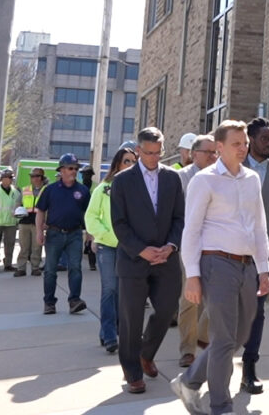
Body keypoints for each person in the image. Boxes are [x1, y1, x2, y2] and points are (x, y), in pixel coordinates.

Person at [172, 121, 269, 415]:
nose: (243, 148)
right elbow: (190, 231)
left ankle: (189, 381)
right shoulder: (203, 181)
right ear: (219, 147)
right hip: (215, 264)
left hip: (246, 266)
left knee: (239, 336)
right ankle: (221, 405)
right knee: (224, 338)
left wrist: (263, 268)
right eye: (236, 144)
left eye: (244, 143)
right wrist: (192, 275)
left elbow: (259, 227)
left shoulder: (252, 179)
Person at [111, 127, 186, 394]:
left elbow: (179, 217)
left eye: (158, 153)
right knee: (131, 317)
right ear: (139, 151)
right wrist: (141, 250)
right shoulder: (122, 181)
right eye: (149, 153)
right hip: (134, 259)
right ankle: (132, 371)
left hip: (166, 259)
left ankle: (147, 352)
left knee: (167, 310)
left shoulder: (173, 178)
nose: (154, 158)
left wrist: (171, 246)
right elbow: (118, 223)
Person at [239, 116, 269, 395]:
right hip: (230, 255)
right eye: (265, 138)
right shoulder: (234, 168)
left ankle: (249, 368)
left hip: (263, 260)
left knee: (258, 313)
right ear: (251, 140)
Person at [86, 145, 136, 354]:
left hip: (130, 248)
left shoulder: (138, 190)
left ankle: (118, 330)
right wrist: (105, 236)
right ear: (117, 164)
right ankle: (108, 335)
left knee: (124, 292)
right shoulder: (103, 189)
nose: (131, 165)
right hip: (108, 247)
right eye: (127, 161)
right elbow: (91, 217)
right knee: (110, 289)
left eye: (134, 162)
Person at [176, 135, 217, 367]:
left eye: (215, 152)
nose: (213, 156)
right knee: (189, 299)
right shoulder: (181, 178)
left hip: (215, 246)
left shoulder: (221, 176)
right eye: (207, 152)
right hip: (189, 246)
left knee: (217, 297)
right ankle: (187, 349)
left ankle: (202, 335)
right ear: (193, 153)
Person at [37, 153, 90, 316]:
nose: (74, 171)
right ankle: (49, 302)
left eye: (76, 168)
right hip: (54, 234)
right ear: (61, 170)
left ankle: (74, 300)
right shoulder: (50, 190)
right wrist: (39, 231)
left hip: (75, 234)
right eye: (70, 168)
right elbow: (41, 211)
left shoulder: (83, 190)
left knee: (75, 268)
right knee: (50, 270)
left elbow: (89, 214)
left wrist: (89, 233)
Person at [13, 167, 47, 277]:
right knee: (24, 246)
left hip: (38, 223)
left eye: (37, 176)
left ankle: (35, 268)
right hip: (24, 222)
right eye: (33, 176)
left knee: (37, 247)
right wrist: (17, 211)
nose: (35, 178)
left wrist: (47, 222)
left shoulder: (46, 190)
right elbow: (18, 204)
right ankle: (21, 268)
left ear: (42, 178)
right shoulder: (25, 190)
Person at [0, 167, 20, 272]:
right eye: (9, 177)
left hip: (11, 222)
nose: (11, 180)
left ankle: (8, 264)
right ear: (3, 178)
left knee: (10, 245)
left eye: (11, 178)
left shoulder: (15, 192)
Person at [81, 164, 98, 271]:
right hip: (80, 216)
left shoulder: (96, 187)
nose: (85, 176)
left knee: (91, 239)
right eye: (84, 174)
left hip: (92, 216)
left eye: (87, 174)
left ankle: (92, 263)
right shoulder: (79, 187)